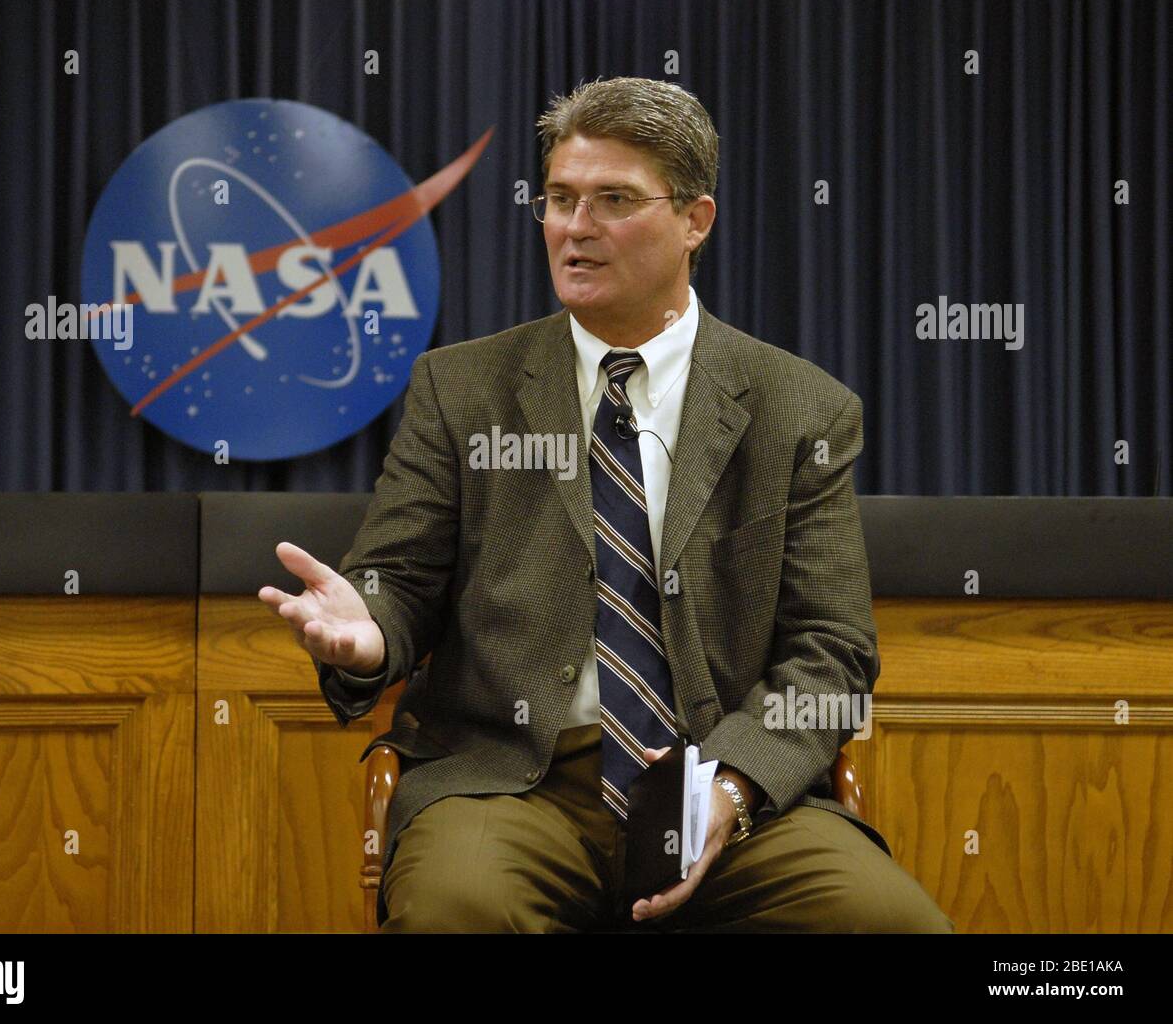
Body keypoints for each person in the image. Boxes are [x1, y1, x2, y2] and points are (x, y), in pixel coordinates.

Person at [259, 76, 953, 934]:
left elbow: (834, 652)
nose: (575, 228)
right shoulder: (462, 389)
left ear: (695, 221)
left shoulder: (799, 408)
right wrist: (368, 638)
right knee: (454, 911)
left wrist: (732, 786)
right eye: (558, 199)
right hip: (515, 783)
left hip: (725, 787)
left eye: (612, 200)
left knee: (893, 924)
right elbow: (399, 583)